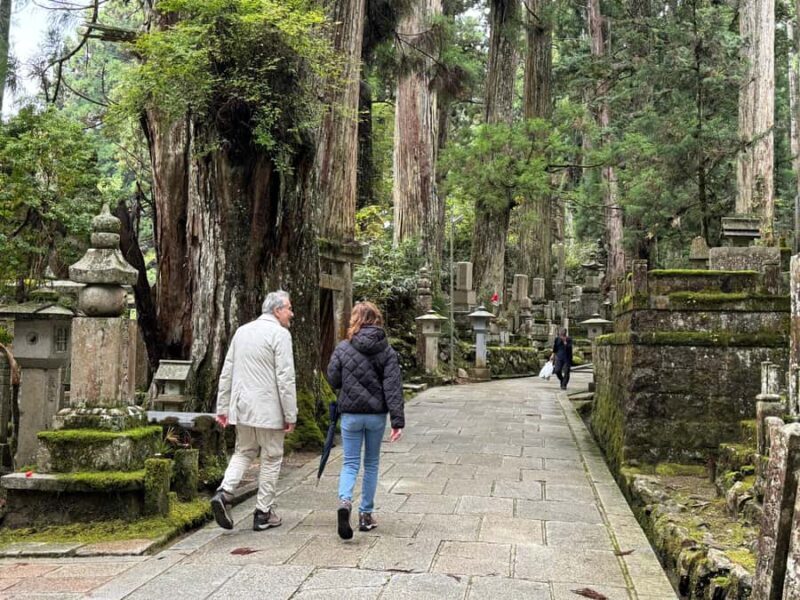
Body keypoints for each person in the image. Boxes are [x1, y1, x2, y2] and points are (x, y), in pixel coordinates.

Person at [211, 290, 297, 531]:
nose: (292, 313)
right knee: (271, 457)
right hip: (269, 409)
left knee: (244, 451)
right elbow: (285, 377)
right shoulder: (280, 335)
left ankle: (225, 492)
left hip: (242, 407)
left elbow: (227, 370)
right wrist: (291, 414)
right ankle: (263, 512)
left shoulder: (242, 331)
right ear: (277, 310)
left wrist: (223, 407)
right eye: (289, 308)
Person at [326, 301, 404, 540]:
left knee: (350, 462)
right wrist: (397, 421)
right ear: (377, 320)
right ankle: (365, 515)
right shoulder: (387, 351)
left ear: (355, 320)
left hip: (350, 413)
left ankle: (345, 501)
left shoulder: (343, 347)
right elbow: (392, 386)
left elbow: (333, 378)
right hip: (375, 415)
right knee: (371, 463)